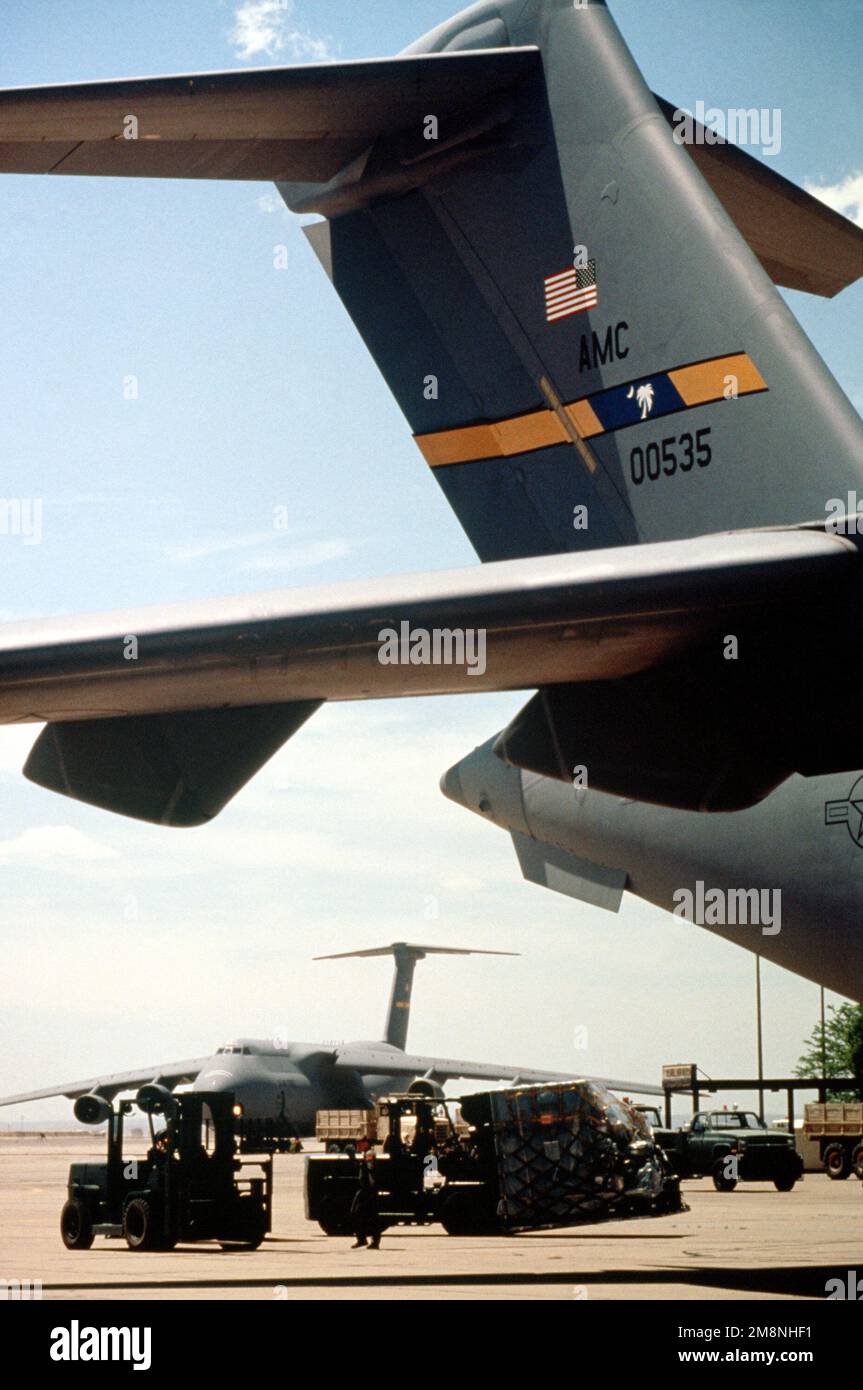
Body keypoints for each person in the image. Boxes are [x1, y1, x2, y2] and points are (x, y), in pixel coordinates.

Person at [350, 1151, 385, 1250]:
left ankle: (374, 1242)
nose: (369, 1159)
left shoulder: (372, 1168)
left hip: (370, 1193)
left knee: (372, 1218)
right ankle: (362, 1239)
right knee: (356, 1214)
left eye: (370, 1158)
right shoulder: (364, 1164)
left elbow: (372, 1180)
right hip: (364, 1192)